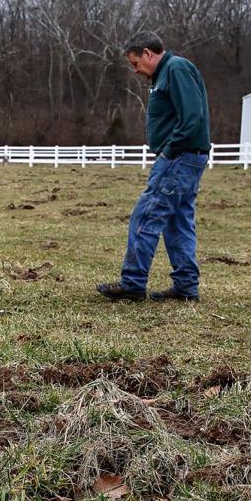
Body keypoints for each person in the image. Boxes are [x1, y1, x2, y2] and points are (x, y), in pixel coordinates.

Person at [97, 32, 211, 302]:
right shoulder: (168, 73)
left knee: (145, 216)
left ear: (148, 53)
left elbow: (192, 115)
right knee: (177, 221)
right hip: (186, 157)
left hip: (179, 158)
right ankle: (186, 286)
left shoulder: (176, 69)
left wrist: (170, 150)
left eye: (135, 63)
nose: (135, 70)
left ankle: (133, 282)